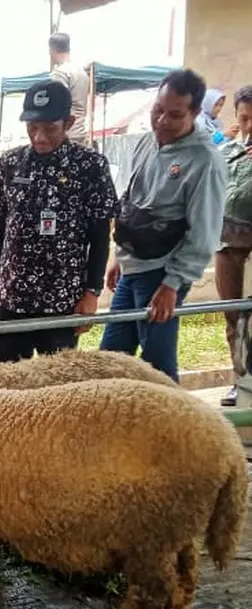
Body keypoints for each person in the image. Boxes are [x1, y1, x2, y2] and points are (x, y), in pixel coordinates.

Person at [100, 69, 228, 382]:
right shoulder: (146, 142)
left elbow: (204, 233)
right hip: (133, 265)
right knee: (112, 357)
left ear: (195, 113)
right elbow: (131, 203)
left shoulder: (205, 161)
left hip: (162, 271)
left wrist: (172, 285)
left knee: (157, 365)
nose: (162, 122)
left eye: (174, 115)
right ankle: (117, 426)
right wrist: (120, 256)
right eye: (158, 111)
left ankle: (172, 428)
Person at [0, 81, 118, 364]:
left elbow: (100, 235)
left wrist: (91, 292)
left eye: (50, 128)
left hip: (62, 300)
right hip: (12, 297)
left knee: (56, 391)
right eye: (32, 127)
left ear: (68, 122)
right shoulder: (10, 163)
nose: (39, 137)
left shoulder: (90, 166)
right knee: (4, 386)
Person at [214, 86, 252, 405]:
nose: (249, 126)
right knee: (232, 316)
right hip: (226, 243)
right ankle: (241, 381)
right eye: (245, 118)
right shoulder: (226, 150)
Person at [47, 32, 90, 145]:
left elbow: (58, 105)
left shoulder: (60, 73)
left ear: (51, 50)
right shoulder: (82, 72)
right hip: (80, 130)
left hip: (65, 133)